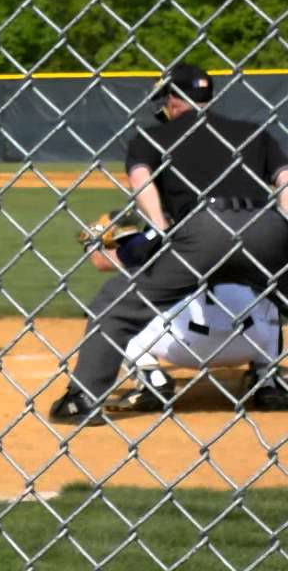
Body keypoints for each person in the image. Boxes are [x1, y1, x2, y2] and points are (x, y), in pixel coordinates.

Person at [51, 64, 288, 425]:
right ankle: (266, 376)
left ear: (175, 99)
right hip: (265, 226)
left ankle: (83, 398)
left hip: (201, 229)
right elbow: (285, 180)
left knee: (116, 303)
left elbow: (141, 179)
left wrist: (160, 229)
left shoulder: (152, 138)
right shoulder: (253, 132)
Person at [79, 212, 288, 412]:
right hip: (252, 342)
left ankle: (152, 380)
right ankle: (266, 379)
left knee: (124, 305)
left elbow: (110, 260)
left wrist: (96, 242)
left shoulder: (172, 223)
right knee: (268, 294)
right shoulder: (261, 223)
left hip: (182, 347)